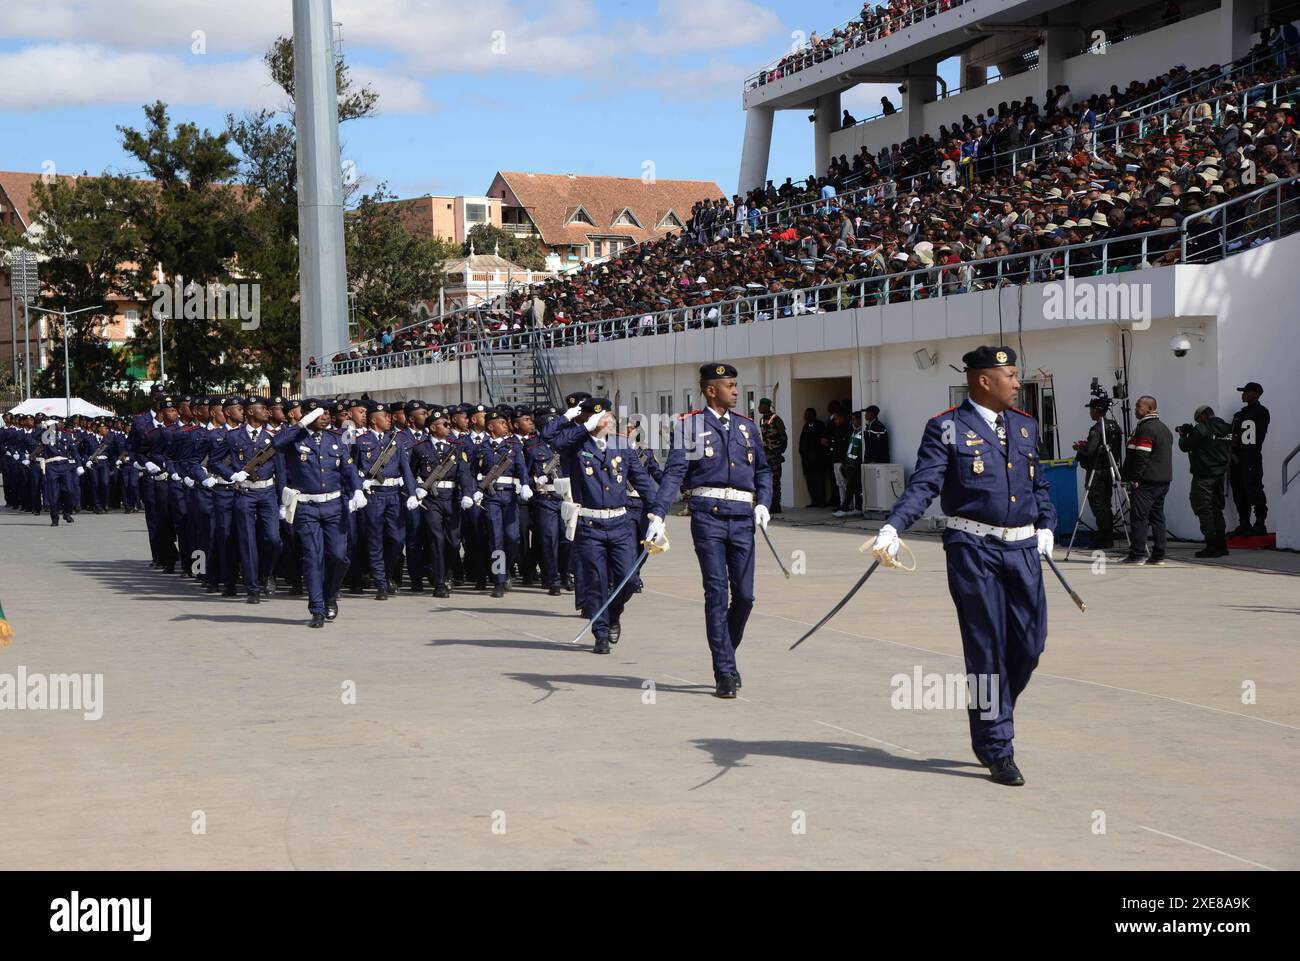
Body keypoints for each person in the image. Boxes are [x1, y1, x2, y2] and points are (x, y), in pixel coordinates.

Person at [870, 346, 1056, 786]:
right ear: (984, 381)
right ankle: (997, 746)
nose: (1016, 382)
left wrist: (1046, 524)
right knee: (987, 647)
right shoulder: (947, 427)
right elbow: (925, 483)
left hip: (1024, 548)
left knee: (1030, 646)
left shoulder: (1026, 426)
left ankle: (993, 711)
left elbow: (1038, 484)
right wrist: (894, 527)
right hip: (973, 549)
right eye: (1009, 375)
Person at [649, 363, 772, 698]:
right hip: (709, 519)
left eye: (735, 384)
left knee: (745, 597)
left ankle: (725, 652)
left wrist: (764, 503)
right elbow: (674, 473)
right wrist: (658, 515)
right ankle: (725, 670)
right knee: (717, 594)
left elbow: (763, 470)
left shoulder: (747, 427)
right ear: (710, 389)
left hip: (744, 518)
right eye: (730, 385)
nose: (735, 391)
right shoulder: (691, 427)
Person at [542, 397, 657, 653]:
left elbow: (642, 481)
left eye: (607, 416)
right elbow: (550, 437)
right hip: (589, 524)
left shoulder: (622, 445)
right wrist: (574, 419)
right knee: (595, 581)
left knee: (627, 580)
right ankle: (601, 632)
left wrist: (658, 513)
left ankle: (613, 614)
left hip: (620, 523)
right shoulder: (575, 445)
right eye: (599, 417)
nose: (606, 421)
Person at [271, 399, 364, 628]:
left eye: (327, 413)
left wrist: (357, 490)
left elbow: (349, 467)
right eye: (319, 413)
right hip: (307, 507)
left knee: (339, 556)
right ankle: (317, 609)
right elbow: (276, 443)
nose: (325, 417)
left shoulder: (335, 439)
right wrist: (301, 424)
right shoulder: (294, 438)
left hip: (334, 506)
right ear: (307, 415)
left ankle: (330, 594)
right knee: (313, 558)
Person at [212, 396, 283, 603]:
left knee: (273, 539)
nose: (267, 412)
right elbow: (215, 461)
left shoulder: (272, 437)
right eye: (263, 409)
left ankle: (267, 572)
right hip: (244, 493)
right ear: (250, 412)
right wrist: (231, 474)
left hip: (268, 492)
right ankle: (253, 588)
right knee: (247, 542)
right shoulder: (233, 437)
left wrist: (282, 500)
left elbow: (280, 470)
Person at [353, 401, 420, 601]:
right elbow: (352, 469)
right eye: (385, 416)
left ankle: (387, 574)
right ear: (374, 420)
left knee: (397, 539)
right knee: (375, 540)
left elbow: (405, 469)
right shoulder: (360, 441)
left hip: (393, 494)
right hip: (373, 494)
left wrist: (411, 493)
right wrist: (359, 487)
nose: (389, 419)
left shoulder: (395, 441)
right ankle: (381, 583)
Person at [1120, 394, 1173, 566]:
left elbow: (1142, 456)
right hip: (1162, 481)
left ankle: (1138, 555)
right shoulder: (1163, 428)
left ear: (1149, 409)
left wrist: (1135, 477)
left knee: (1139, 518)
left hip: (1146, 482)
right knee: (1158, 517)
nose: (1136, 409)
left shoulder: (1146, 428)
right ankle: (1158, 555)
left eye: (1138, 406)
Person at [1178, 405, 1233, 557]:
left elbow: (1185, 446)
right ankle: (1222, 546)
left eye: (1198, 420)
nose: (1197, 423)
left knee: (1204, 509)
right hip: (1220, 475)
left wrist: (1183, 435)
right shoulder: (1227, 428)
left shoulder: (1202, 428)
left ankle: (1212, 546)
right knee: (1216, 509)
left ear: (1203, 415)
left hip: (1203, 477)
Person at [1071, 398, 1124, 548]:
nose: (1090, 413)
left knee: (1098, 504)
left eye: (1091, 410)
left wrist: (1079, 449)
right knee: (1106, 503)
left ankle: (1104, 536)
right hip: (1110, 469)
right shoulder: (1114, 426)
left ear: (1096, 410)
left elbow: (1089, 451)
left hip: (1097, 471)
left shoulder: (1096, 429)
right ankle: (1107, 536)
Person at [1228, 381, 1270, 536]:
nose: (1243, 395)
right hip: (1236, 459)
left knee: (1254, 489)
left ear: (1255, 394)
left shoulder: (1260, 412)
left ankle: (1260, 524)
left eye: (1246, 391)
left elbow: (1257, 436)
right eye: (1243, 392)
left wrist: (1238, 441)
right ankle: (1244, 523)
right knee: (1239, 491)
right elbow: (1232, 435)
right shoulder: (1239, 415)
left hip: (1250, 458)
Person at [757, 398, 787, 514]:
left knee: (775, 481)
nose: (759, 407)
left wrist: (779, 452)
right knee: (766, 481)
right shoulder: (762, 420)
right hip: (766, 456)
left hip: (774, 456)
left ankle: (776, 506)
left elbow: (783, 437)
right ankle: (768, 504)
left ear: (766, 406)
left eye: (761, 405)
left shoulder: (775, 419)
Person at [835, 410, 864, 517]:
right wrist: (845, 461)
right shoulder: (854, 431)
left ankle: (845, 508)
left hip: (856, 464)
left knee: (851, 487)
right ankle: (858, 507)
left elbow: (860, 450)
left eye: (854, 419)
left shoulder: (862, 432)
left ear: (860, 420)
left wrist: (855, 461)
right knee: (855, 487)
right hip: (849, 463)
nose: (852, 422)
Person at [799, 407, 829, 507]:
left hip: (818, 460)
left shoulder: (820, 425)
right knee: (810, 482)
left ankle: (821, 501)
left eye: (808, 414)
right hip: (807, 461)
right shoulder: (805, 427)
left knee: (819, 481)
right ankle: (814, 501)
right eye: (805, 414)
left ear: (813, 416)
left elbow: (823, 441)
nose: (805, 416)